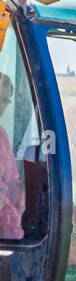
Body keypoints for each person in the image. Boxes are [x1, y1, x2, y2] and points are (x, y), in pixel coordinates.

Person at [0, 72, 23, 239]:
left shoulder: (2, 136)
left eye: (5, 100)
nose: (1, 105)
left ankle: (74, 265)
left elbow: (11, 178)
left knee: (64, 208)